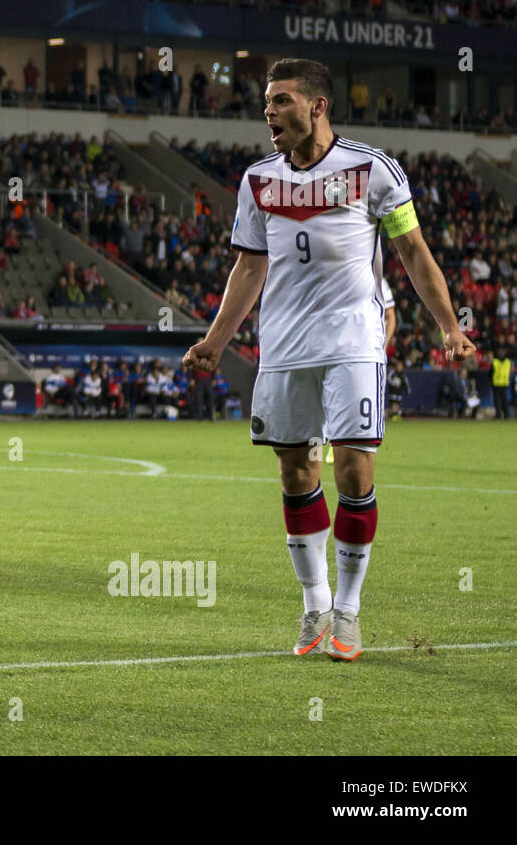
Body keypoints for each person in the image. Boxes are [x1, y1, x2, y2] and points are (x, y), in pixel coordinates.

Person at [183, 58, 474, 663]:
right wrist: (215, 340)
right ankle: (314, 603)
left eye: (281, 100)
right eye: (266, 102)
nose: (269, 111)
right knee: (295, 475)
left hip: (353, 342)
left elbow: (414, 253)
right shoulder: (258, 180)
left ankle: (349, 610)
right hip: (284, 348)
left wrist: (450, 325)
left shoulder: (373, 170)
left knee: (354, 473)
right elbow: (249, 267)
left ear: (317, 106)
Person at [490, 346, 511, 420]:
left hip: (503, 383)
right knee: (500, 400)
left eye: (502, 351)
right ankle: (501, 414)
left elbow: (490, 373)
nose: (501, 353)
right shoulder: (506, 362)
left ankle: (504, 415)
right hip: (498, 383)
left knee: (502, 400)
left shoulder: (497, 361)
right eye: (500, 351)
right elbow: (491, 373)